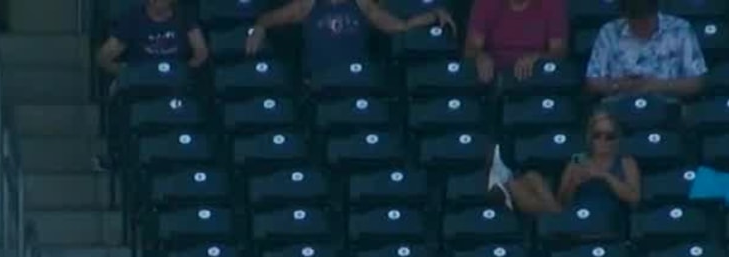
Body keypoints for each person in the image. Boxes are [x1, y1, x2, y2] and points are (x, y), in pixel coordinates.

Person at [94, 0, 210, 171]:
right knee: (118, 97)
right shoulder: (133, 19)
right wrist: (125, 74)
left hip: (175, 85)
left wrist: (185, 71)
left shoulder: (184, 16)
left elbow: (201, 52)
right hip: (141, 86)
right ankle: (118, 156)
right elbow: (103, 57)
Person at [245, 0, 454, 76]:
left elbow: (399, 26)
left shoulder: (362, 4)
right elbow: (268, 18)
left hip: (357, 82)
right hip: (320, 85)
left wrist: (432, 15)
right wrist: (259, 27)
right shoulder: (308, 4)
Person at [584, 0, 706, 102]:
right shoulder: (609, 32)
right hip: (619, 107)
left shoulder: (680, 29)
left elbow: (696, 83)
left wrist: (657, 86)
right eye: (634, 21)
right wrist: (620, 85)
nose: (640, 26)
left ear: (655, 12)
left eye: (645, 21)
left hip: (667, 105)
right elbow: (593, 81)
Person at [463, 0, 567, 86]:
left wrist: (537, 58)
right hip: (494, 77)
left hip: (535, 76)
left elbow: (559, 51)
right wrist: (480, 57)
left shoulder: (552, 3)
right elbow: (471, 47)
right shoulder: (486, 2)